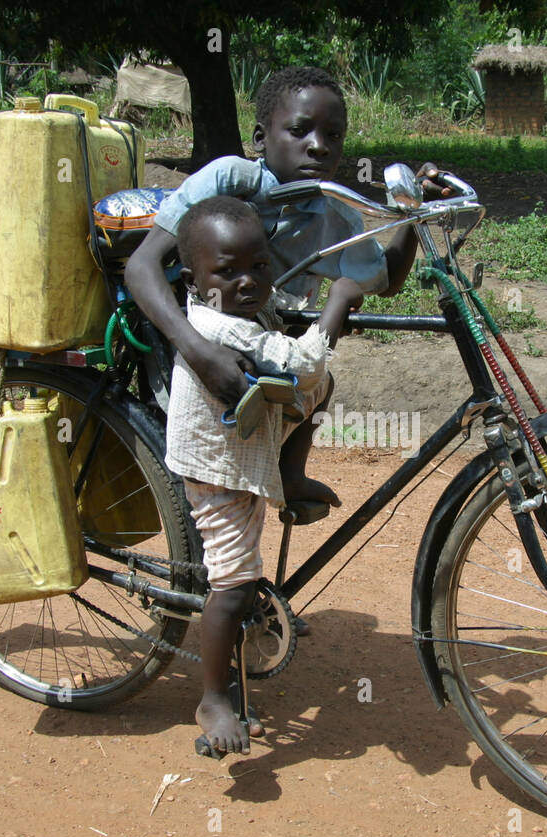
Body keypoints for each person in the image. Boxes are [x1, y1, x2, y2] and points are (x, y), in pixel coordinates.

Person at [125, 65, 449, 507]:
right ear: (261, 139)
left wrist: (416, 212)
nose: (318, 146)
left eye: (333, 136)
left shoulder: (332, 212)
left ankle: (289, 473)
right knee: (224, 502)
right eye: (300, 131)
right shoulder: (229, 180)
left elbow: (387, 280)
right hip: (189, 347)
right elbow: (141, 267)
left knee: (321, 384)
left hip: (264, 353)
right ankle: (221, 572)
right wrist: (201, 355)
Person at [164, 195, 363, 756]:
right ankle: (213, 697)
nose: (248, 282)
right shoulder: (217, 325)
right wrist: (340, 299)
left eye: (259, 267)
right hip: (219, 470)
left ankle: (289, 474)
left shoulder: (241, 310)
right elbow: (299, 362)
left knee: (321, 389)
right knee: (233, 582)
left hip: (245, 444)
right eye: (227, 272)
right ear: (193, 279)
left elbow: (300, 368)